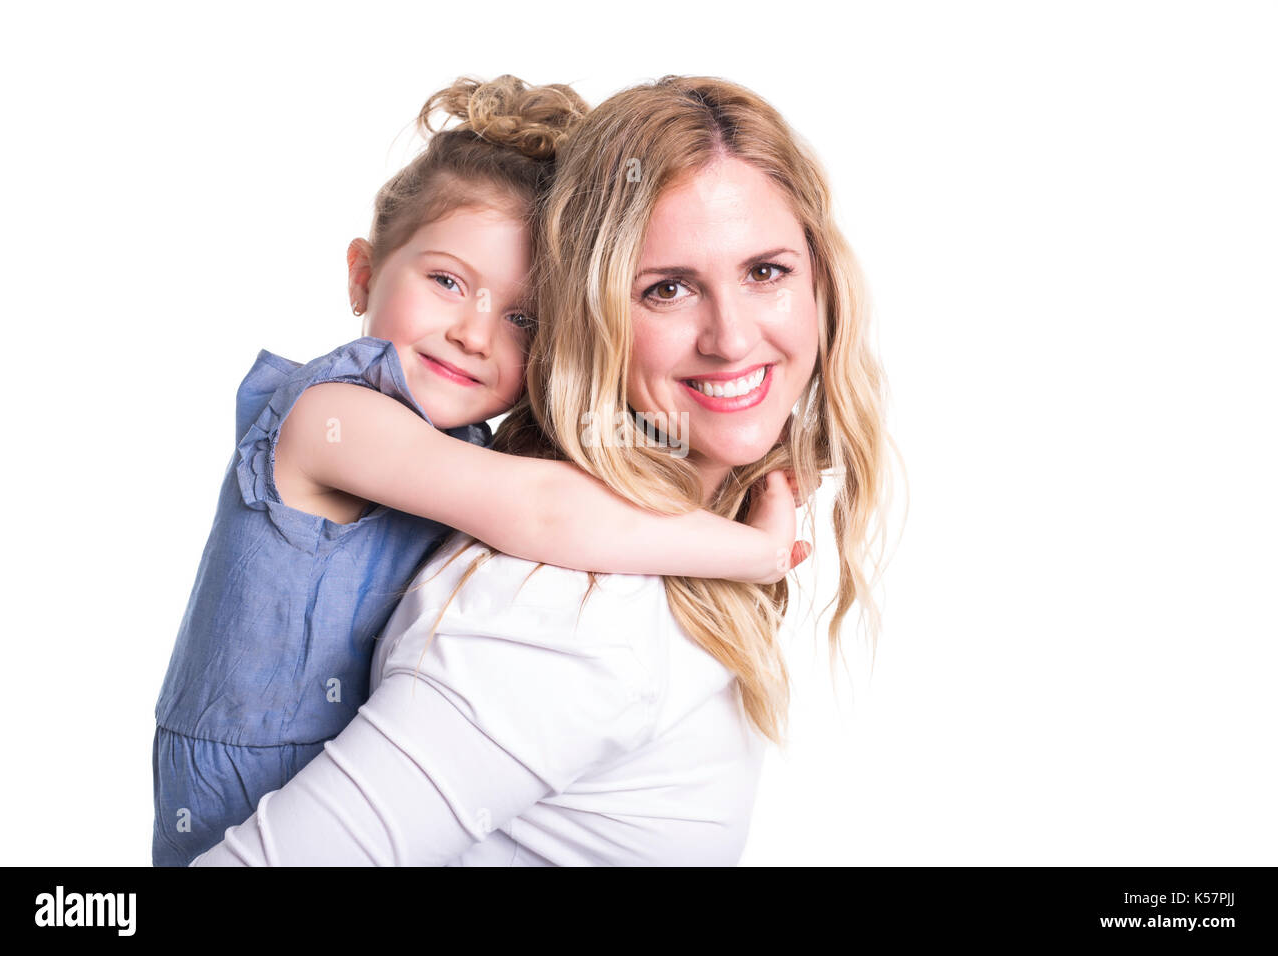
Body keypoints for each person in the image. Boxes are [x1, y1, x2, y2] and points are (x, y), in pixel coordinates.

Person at [189, 74, 894, 866]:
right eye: (667, 289)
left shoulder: (599, 561)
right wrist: (758, 552)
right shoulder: (567, 612)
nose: (730, 338)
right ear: (589, 323)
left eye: (766, 271)